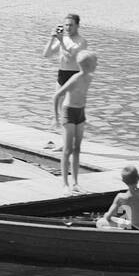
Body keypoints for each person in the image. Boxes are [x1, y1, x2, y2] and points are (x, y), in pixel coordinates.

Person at [51, 50, 97, 193]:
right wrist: (56, 117)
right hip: (69, 112)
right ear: (88, 65)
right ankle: (65, 184)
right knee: (68, 150)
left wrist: (85, 116)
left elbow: (83, 96)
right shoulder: (75, 79)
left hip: (80, 113)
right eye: (95, 62)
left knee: (77, 149)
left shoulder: (89, 77)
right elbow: (57, 95)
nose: (97, 64)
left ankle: (76, 183)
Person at [43, 13, 89, 85]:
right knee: (57, 96)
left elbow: (69, 59)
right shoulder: (63, 39)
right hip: (62, 73)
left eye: (71, 25)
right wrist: (52, 38)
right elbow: (46, 54)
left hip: (74, 75)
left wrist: (61, 41)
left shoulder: (82, 42)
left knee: (70, 96)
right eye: (66, 25)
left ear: (77, 26)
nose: (68, 27)